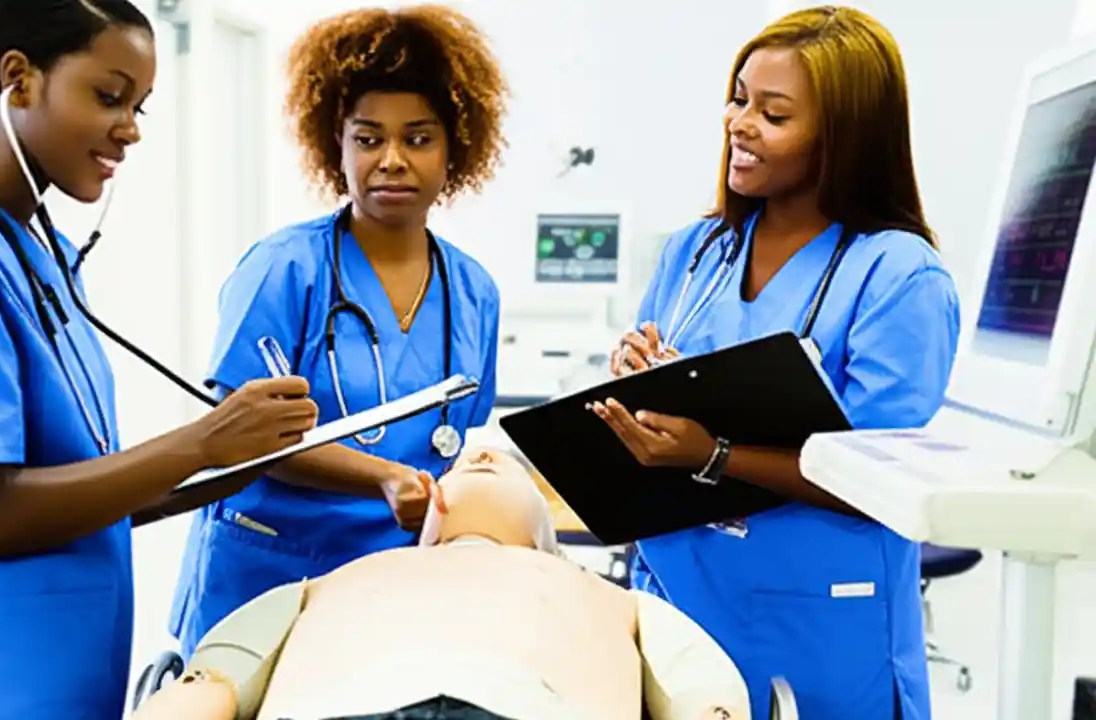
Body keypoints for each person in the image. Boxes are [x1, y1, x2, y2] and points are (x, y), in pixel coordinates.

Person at [0, 2, 317, 718]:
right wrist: (200, 441)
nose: (131, 128)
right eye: (109, 96)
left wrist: (229, 464)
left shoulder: (36, 251)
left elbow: (76, 489)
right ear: (19, 79)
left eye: (140, 106)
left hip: (47, 688)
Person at [593, 6, 960, 720]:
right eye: (738, 100)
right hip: (677, 603)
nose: (739, 123)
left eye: (774, 113)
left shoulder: (898, 277)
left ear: (843, 136)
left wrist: (716, 454)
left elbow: (883, 481)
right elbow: (661, 402)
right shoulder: (696, 252)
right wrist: (634, 379)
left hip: (816, 624)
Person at [169, 4, 510, 654]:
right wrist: (380, 477)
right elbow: (239, 435)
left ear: (454, 148)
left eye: (417, 137)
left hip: (397, 588)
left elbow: (460, 441)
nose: (391, 160)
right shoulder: (284, 269)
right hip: (266, 580)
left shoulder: (474, 292)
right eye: (368, 137)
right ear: (337, 144)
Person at [135, 448, 755, 720]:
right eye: (459, 464)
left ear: (549, 533)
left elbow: (703, 695)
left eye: (507, 467)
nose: (481, 459)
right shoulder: (335, 583)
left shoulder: (608, 599)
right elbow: (212, 680)